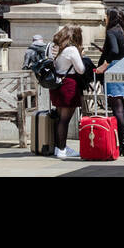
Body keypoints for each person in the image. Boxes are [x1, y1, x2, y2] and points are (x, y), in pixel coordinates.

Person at [93, 7, 124, 156]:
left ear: (110, 17)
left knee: (117, 109)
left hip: (116, 69)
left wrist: (105, 64)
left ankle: (122, 143)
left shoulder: (112, 31)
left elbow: (115, 51)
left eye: (105, 16)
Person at [48, 25, 84, 160]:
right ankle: (62, 149)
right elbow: (80, 69)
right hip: (69, 85)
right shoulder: (72, 50)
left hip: (57, 84)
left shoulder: (55, 49)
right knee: (65, 119)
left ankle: (59, 147)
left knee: (59, 118)